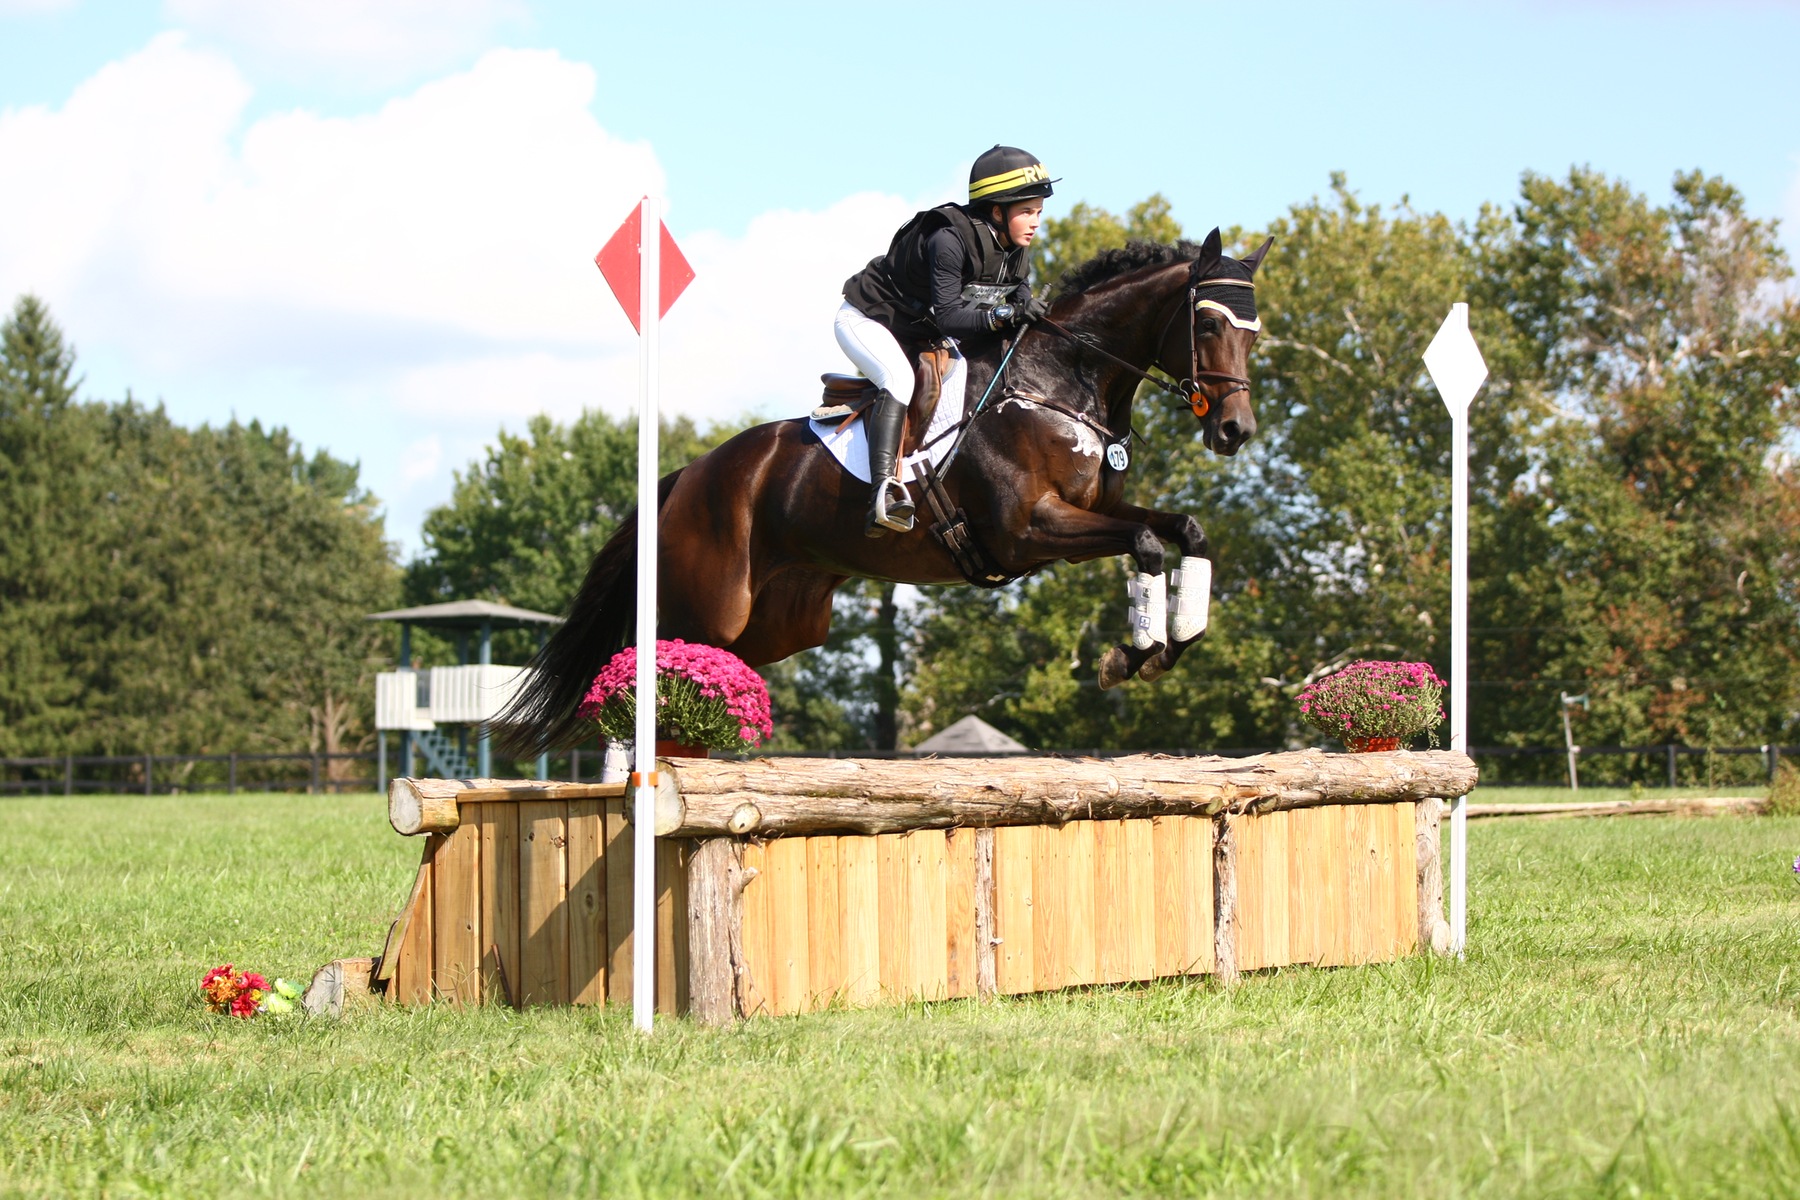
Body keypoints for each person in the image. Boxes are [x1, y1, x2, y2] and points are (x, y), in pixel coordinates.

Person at [838, 145, 1057, 536]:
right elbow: (953, 318)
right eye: (1027, 211)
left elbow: (1020, 299)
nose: (1035, 222)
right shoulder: (949, 240)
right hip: (869, 321)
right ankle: (883, 492)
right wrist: (1005, 314)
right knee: (899, 381)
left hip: (921, 332)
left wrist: (1031, 311)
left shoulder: (1013, 251)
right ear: (996, 210)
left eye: (1038, 211)